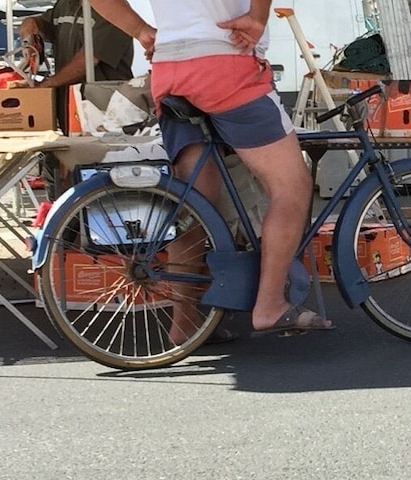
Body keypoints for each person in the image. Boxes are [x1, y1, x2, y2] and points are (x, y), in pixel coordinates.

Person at [89, 0, 332, 341]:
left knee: (196, 202)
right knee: (291, 186)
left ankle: (184, 324)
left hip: (169, 70)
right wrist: (258, 18)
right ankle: (270, 305)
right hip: (226, 62)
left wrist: (140, 31)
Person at [18, 0, 136, 133]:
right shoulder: (65, 5)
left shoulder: (114, 7)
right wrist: (29, 24)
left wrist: (47, 84)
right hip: (70, 105)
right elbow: (43, 23)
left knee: (104, 150)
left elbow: (88, 59)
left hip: (104, 105)